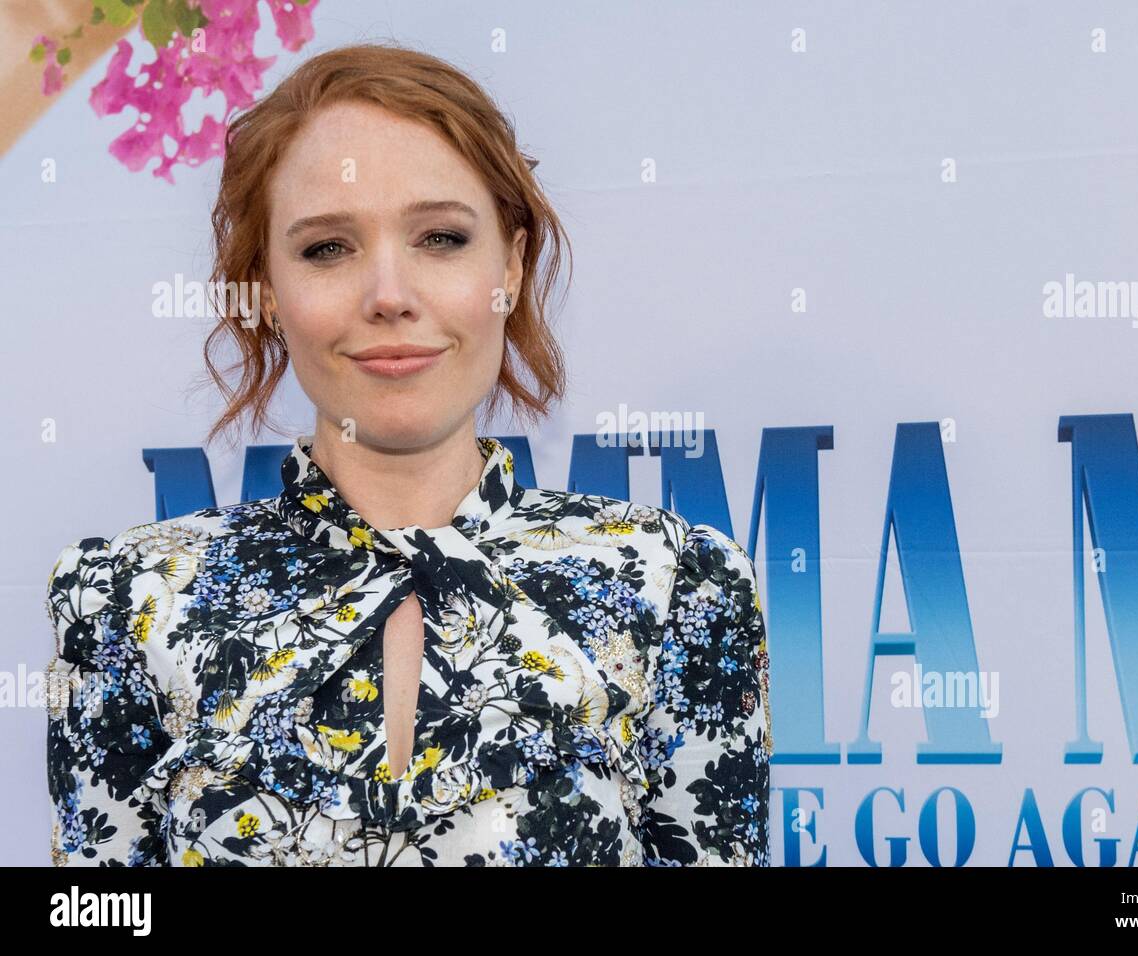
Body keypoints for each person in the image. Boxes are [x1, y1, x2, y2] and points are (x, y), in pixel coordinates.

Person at [44, 42, 772, 867]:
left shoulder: (674, 583)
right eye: (327, 248)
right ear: (266, 290)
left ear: (512, 264)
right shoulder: (123, 599)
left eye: (440, 237)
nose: (389, 294)